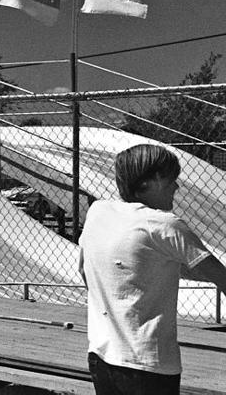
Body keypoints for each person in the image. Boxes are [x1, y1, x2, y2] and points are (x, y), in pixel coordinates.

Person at [80, 144, 226, 395]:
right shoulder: (165, 225)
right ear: (156, 179)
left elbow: (88, 269)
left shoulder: (98, 212)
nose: (176, 187)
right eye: (173, 179)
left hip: (101, 356)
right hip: (148, 365)